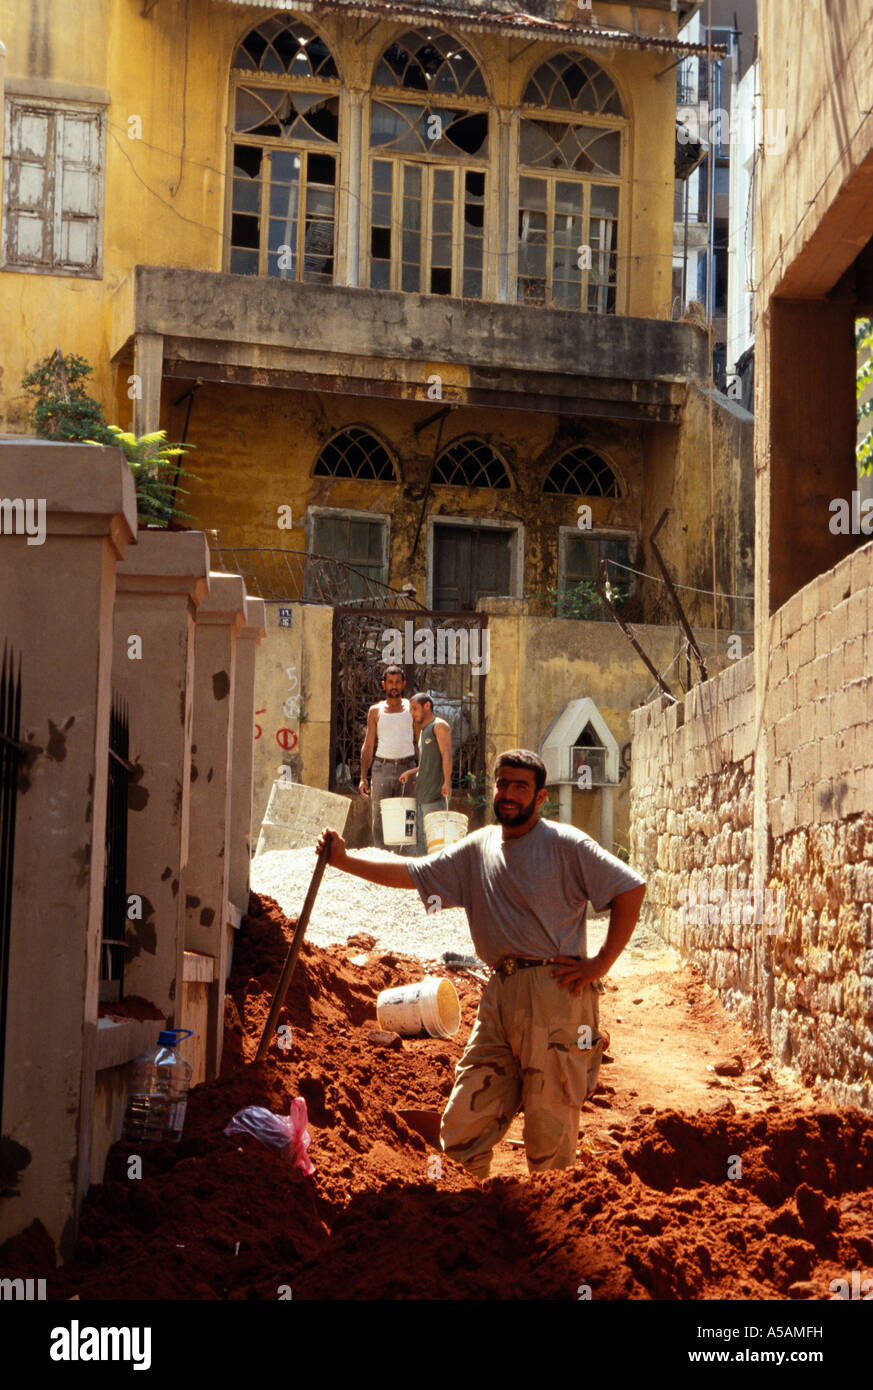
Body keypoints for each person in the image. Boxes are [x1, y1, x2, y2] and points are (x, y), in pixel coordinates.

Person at [316, 748, 646, 1179]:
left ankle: (547, 1233)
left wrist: (600, 963)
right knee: (462, 1128)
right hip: (499, 996)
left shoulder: (565, 844)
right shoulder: (479, 847)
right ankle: (472, 1227)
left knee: (549, 1140)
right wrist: (343, 861)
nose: (509, 794)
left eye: (520, 787)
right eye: (503, 784)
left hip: (556, 997)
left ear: (540, 797)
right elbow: (413, 872)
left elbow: (630, 889)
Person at [358, 665, 416, 851]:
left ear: (403, 684)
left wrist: (421, 769)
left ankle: (404, 863)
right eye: (390, 682)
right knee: (380, 817)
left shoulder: (411, 708)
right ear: (384, 685)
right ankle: (381, 859)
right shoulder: (376, 711)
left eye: (398, 682)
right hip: (382, 769)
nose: (394, 686)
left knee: (408, 817)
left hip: (407, 768)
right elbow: (368, 745)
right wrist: (363, 777)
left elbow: (420, 741)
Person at [397, 692, 452, 856]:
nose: (412, 714)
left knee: (435, 839)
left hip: (435, 794)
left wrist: (447, 782)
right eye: (411, 711)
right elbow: (426, 763)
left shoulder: (439, 725)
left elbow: (446, 755)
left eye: (415, 709)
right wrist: (410, 772)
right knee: (420, 837)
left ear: (427, 706)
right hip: (421, 794)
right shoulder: (423, 732)